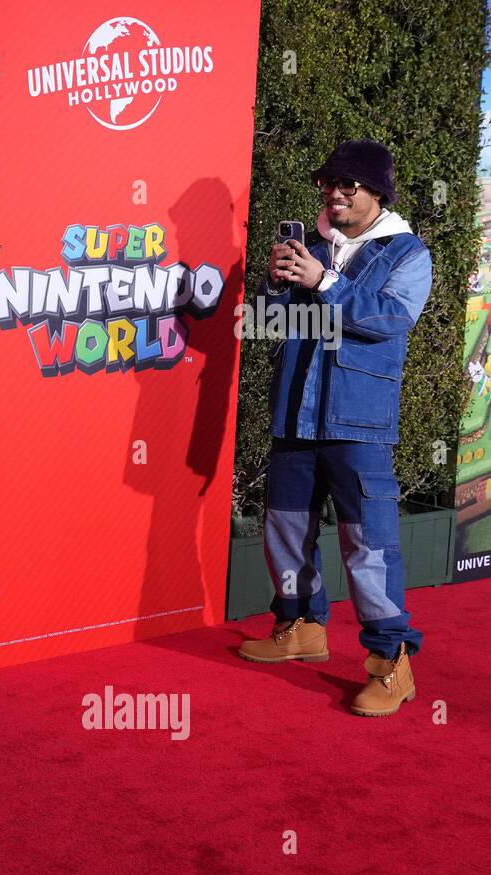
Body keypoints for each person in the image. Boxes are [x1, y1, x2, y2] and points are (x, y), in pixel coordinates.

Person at [238, 140, 431, 718]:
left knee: (368, 545)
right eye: (330, 183)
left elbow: (391, 318)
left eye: (349, 184)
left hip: (359, 424)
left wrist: (324, 282)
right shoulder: (312, 247)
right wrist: (276, 288)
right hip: (295, 417)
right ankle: (300, 626)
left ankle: (392, 665)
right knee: (284, 530)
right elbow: (270, 325)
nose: (336, 192)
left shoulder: (407, 252)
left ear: (378, 193)